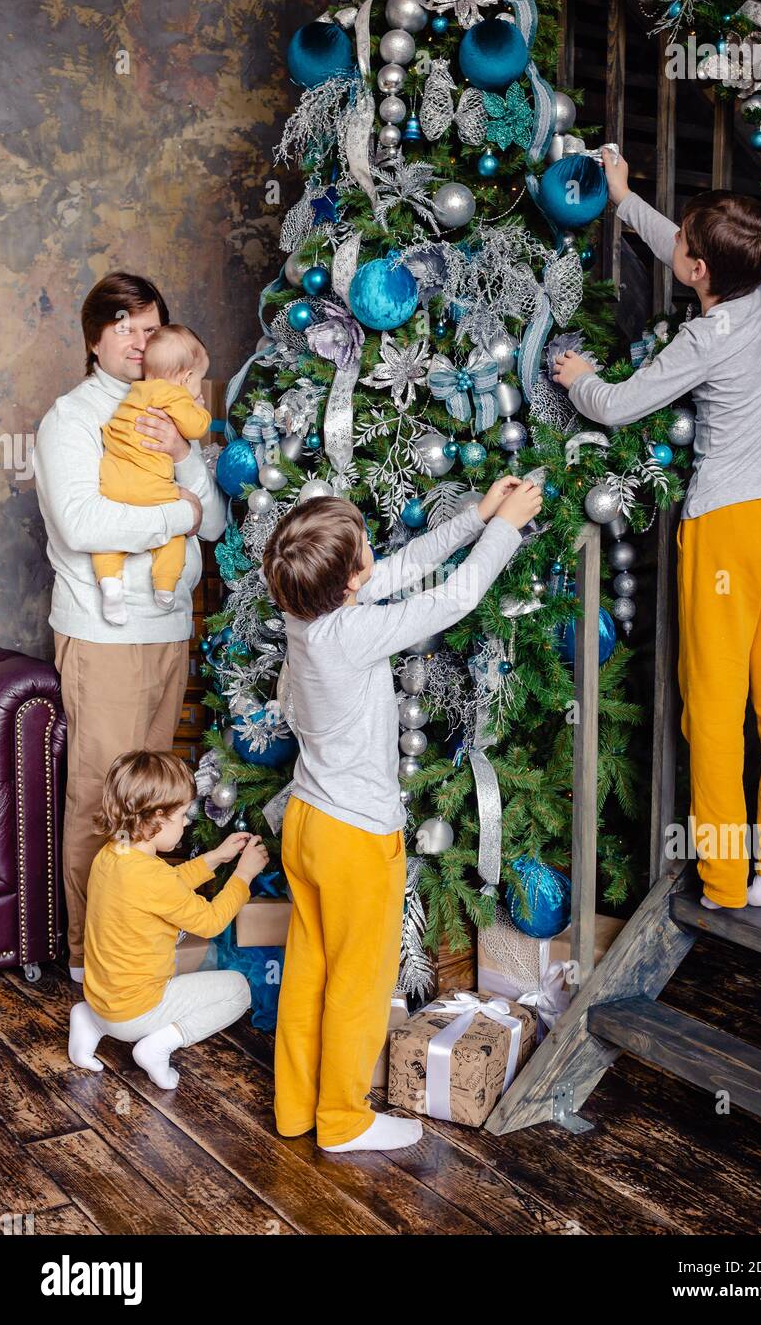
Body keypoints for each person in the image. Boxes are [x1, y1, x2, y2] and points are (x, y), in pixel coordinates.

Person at [553, 149, 761, 913]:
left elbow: (617, 405)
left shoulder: (704, 340)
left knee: (713, 707)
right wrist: (626, 199)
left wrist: (580, 380)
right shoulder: (759, 295)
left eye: (686, 249)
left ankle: (726, 879)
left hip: (730, 527)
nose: (678, 249)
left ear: (698, 271)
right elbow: (687, 240)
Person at [262, 476, 542, 1152]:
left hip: (306, 822)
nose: (373, 561)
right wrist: (507, 528)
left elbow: (400, 569)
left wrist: (474, 517)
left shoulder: (306, 615)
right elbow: (454, 596)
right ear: (350, 583)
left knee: (308, 970)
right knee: (358, 984)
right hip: (354, 836)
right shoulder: (353, 632)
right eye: (364, 553)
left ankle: (296, 1107)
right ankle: (343, 1122)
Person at [33, 272, 227, 984]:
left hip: (168, 627)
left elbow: (220, 520)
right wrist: (178, 514)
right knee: (101, 797)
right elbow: (86, 524)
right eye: (124, 327)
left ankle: (138, 948)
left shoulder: (177, 415)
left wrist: (185, 462)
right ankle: (91, 961)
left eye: (151, 329)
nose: (140, 343)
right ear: (94, 338)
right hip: (104, 632)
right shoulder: (71, 420)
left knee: (155, 803)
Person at [67, 750, 268, 1089]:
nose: (187, 822)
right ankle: (157, 1046)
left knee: (116, 1001)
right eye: (182, 815)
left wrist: (216, 857)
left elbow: (165, 885)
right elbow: (212, 920)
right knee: (238, 990)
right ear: (157, 817)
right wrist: (243, 877)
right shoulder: (152, 877)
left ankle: (90, 1021)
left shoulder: (113, 852)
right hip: (136, 1013)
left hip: (102, 998)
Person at [92, 324, 212, 625]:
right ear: (186, 378)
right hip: (150, 487)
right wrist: (199, 409)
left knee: (108, 543)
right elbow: (198, 427)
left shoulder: (135, 393)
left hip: (114, 480)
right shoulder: (174, 396)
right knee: (172, 533)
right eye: (199, 379)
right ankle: (164, 586)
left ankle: (109, 581)